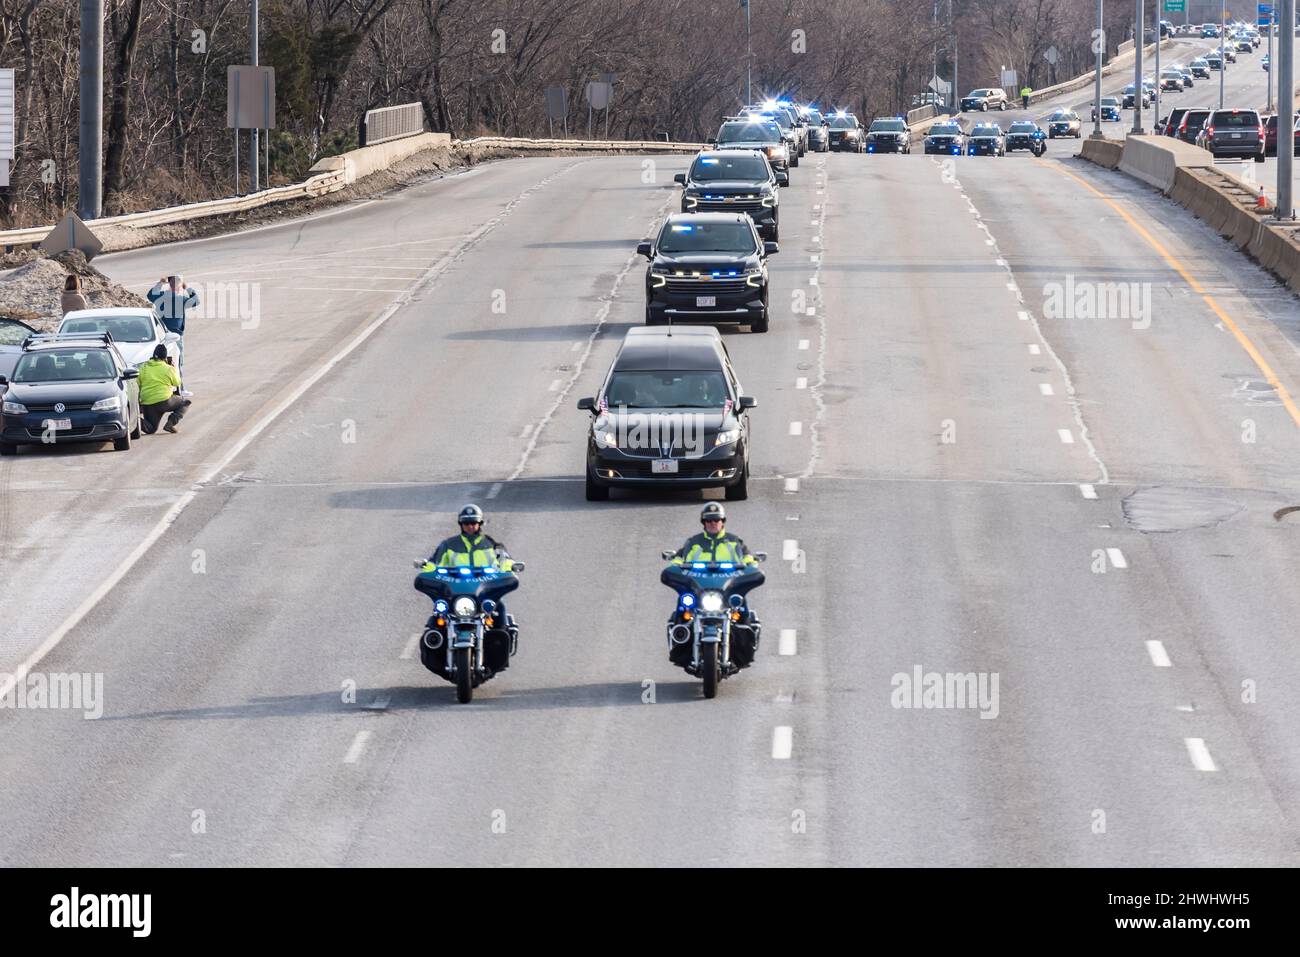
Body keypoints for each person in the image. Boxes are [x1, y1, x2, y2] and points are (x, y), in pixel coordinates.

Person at [146, 274, 200, 387]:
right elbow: (196, 300)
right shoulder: (181, 299)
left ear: (169, 285)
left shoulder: (160, 296)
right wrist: (188, 288)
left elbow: (150, 295)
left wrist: (160, 283)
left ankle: (165, 385)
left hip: (162, 335)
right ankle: (180, 387)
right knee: (178, 361)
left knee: (162, 361)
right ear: (180, 287)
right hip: (176, 335)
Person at [669, 502, 757, 566]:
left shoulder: (734, 541)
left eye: (716, 520)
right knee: (684, 592)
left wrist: (750, 564)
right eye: (709, 520)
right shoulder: (693, 541)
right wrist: (675, 565)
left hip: (730, 583)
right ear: (704, 522)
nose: (713, 523)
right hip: (697, 583)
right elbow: (679, 558)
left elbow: (748, 557)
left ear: (722, 521)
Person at [137, 343, 191, 434]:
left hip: (148, 403)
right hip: (164, 401)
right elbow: (177, 382)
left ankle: (134, 420)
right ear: (165, 357)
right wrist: (174, 368)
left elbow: (138, 383)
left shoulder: (143, 367)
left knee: (151, 429)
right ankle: (170, 424)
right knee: (185, 403)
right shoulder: (168, 368)